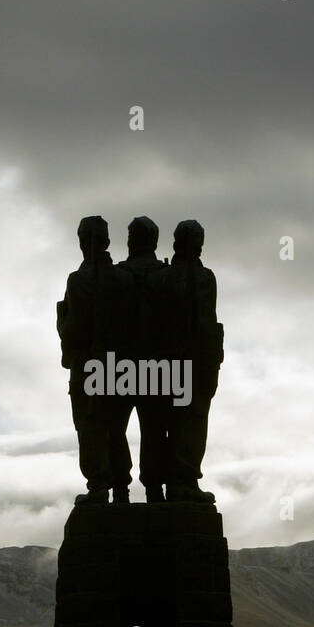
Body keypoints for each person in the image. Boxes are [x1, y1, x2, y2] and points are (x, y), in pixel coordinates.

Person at [158, 220, 222, 504]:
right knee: (191, 422)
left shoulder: (163, 276)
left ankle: (174, 482)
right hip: (194, 361)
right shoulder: (204, 277)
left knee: (169, 423)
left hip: (165, 361)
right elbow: (206, 323)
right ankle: (183, 481)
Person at [58, 215, 117, 505]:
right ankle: (118, 488)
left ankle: (99, 486)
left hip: (90, 363)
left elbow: (72, 327)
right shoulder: (121, 277)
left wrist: (62, 323)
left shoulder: (78, 280)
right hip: (119, 365)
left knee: (91, 425)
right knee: (111, 426)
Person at [113, 216, 171, 502]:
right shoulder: (166, 275)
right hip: (158, 365)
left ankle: (119, 488)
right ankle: (154, 488)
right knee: (155, 430)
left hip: (117, 365)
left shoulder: (114, 275)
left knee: (114, 429)